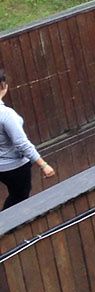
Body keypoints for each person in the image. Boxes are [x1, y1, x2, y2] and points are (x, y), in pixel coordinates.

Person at [0, 68, 53, 209]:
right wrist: (43, 165)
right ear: (3, 86)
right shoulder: (6, 114)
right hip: (14, 165)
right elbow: (21, 143)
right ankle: (5, 227)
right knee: (19, 197)